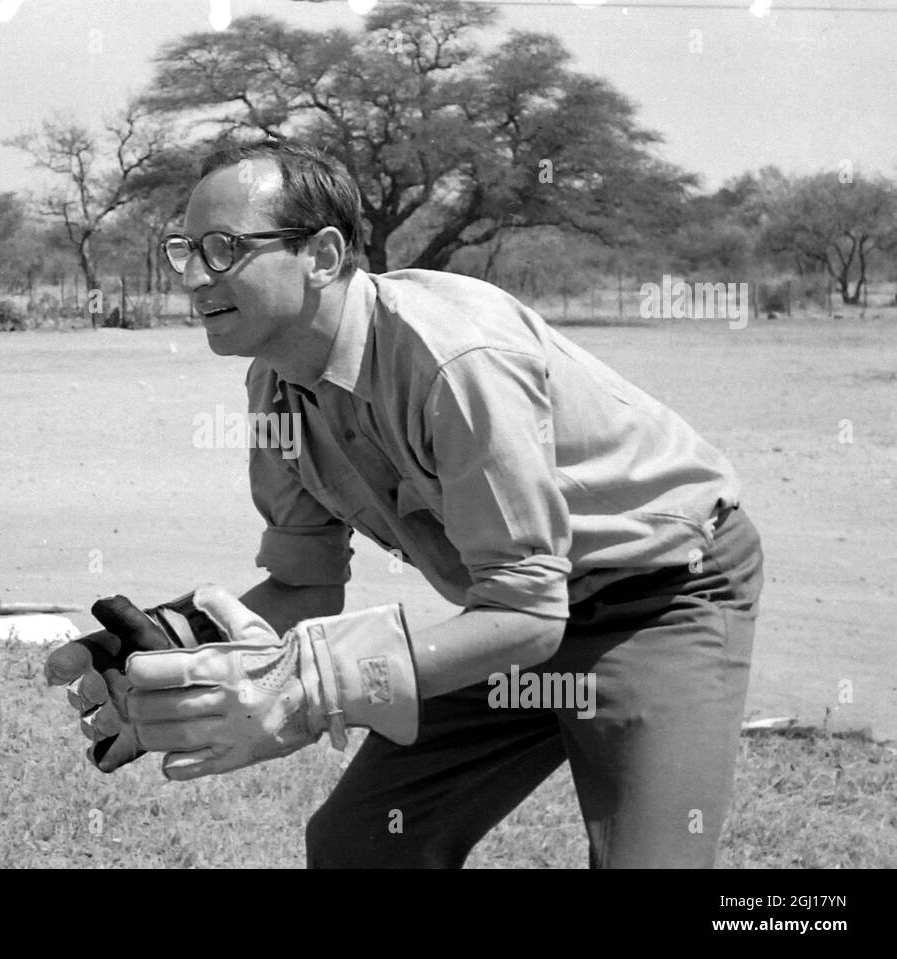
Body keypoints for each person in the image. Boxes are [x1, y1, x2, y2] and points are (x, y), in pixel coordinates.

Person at [45, 140, 763, 869]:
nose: (195, 276)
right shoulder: (275, 387)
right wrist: (174, 642)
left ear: (323, 255)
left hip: (663, 594)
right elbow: (306, 582)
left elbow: (528, 614)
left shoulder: (457, 360)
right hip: (515, 613)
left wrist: (310, 685)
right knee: (362, 846)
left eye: (225, 248)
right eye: (186, 249)